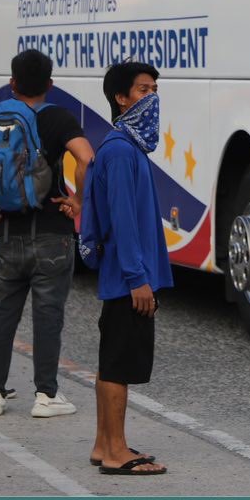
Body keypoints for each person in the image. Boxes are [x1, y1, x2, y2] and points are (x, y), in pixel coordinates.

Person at [0, 49, 94, 419]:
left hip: (8, 232)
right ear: (50, 83)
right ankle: (46, 395)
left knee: (2, 314)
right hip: (52, 233)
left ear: (12, 83)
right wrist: (78, 200)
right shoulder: (60, 118)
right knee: (48, 317)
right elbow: (86, 158)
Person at [83, 62, 172, 477]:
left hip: (123, 275)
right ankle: (117, 452)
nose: (151, 98)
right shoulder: (121, 151)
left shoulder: (126, 147)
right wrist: (138, 278)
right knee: (119, 365)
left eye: (154, 90)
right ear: (121, 98)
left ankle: (105, 444)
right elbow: (122, 220)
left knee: (111, 361)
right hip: (127, 278)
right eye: (142, 90)